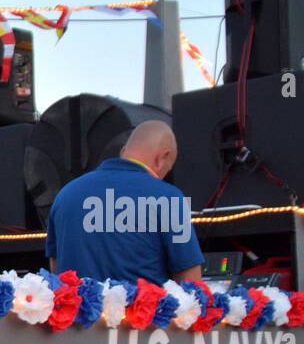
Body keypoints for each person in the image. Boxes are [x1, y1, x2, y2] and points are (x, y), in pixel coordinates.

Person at [45, 120, 203, 284]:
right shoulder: (170, 198)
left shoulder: (65, 195)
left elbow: (57, 272)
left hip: (79, 309)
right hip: (140, 309)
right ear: (162, 158)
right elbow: (190, 284)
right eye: (167, 170)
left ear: (123, 152)